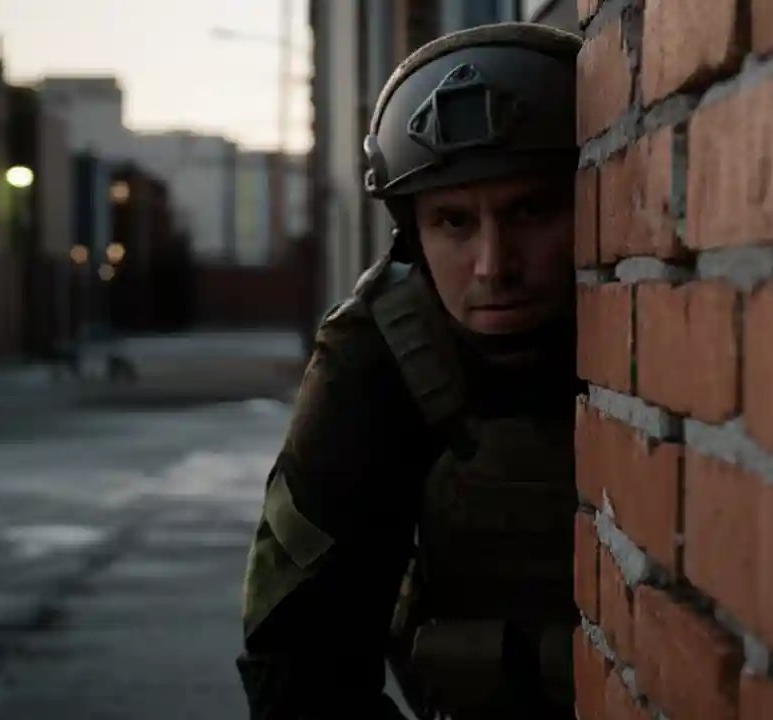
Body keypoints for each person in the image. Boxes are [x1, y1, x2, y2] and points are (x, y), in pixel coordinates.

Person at [236, 22, 584, 720]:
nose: (494, 265)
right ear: (413, 237)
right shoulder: (380, 349)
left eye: (532, 211)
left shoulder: (645, 302)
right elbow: (297, 664)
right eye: (454, 222)